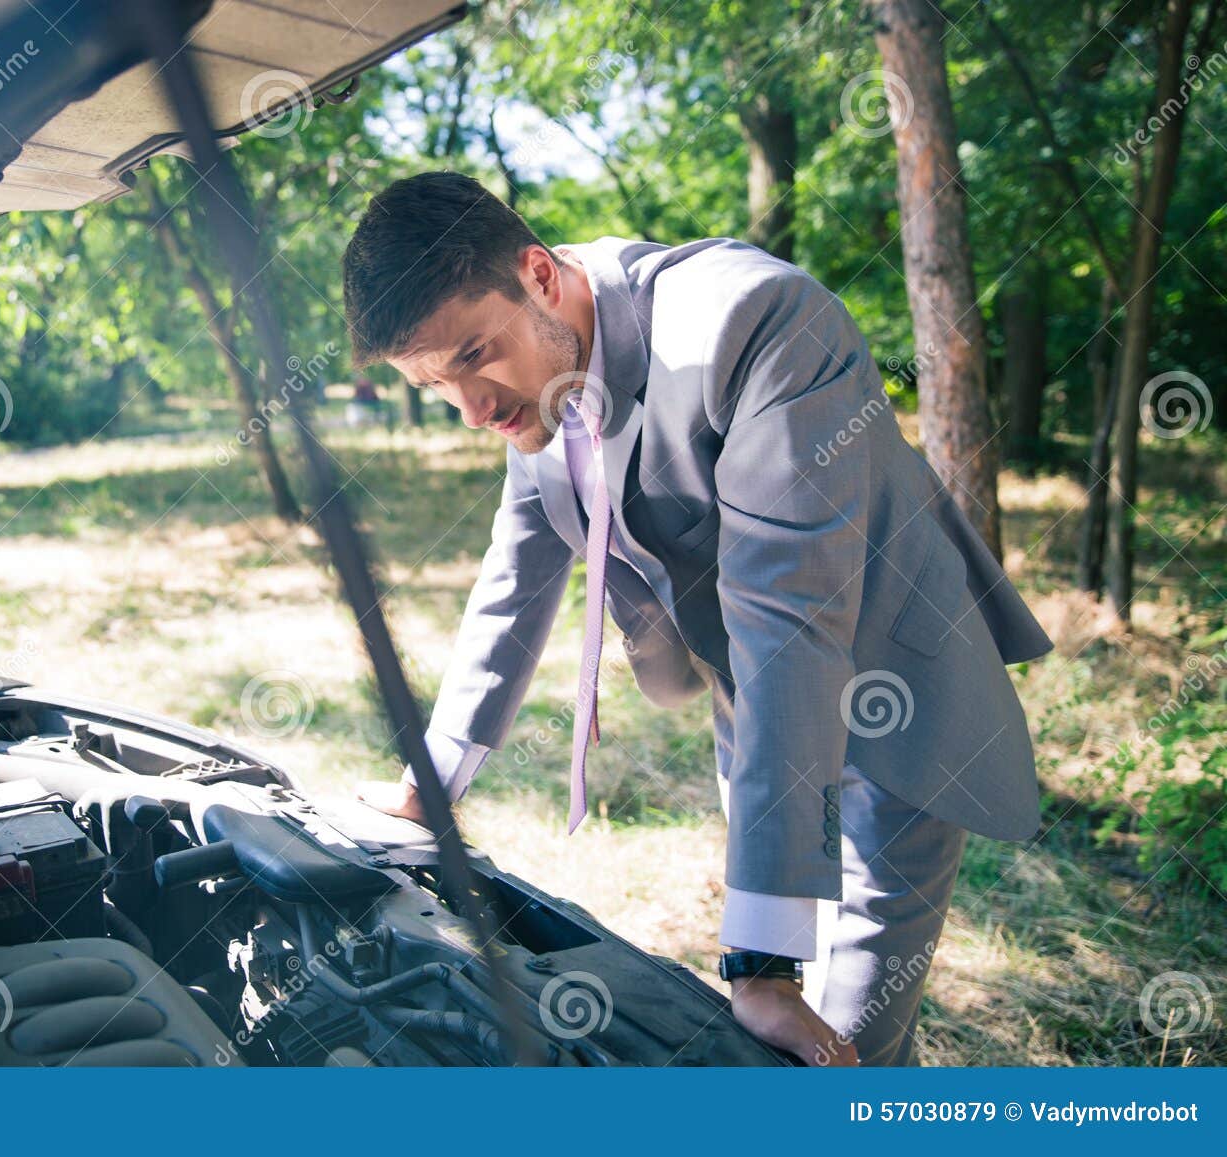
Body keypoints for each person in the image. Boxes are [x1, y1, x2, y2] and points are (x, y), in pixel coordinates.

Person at [341, 171, 1052, 1067]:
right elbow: (517, 573)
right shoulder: (534, 375)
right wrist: (430, 783)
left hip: (893, 685)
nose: (473, 411)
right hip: (755, 706)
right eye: (439, 385)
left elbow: (790, 624)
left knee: (841, 1049)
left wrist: (759, 966)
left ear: (537, 274)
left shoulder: (752, 324)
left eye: (475, 358)